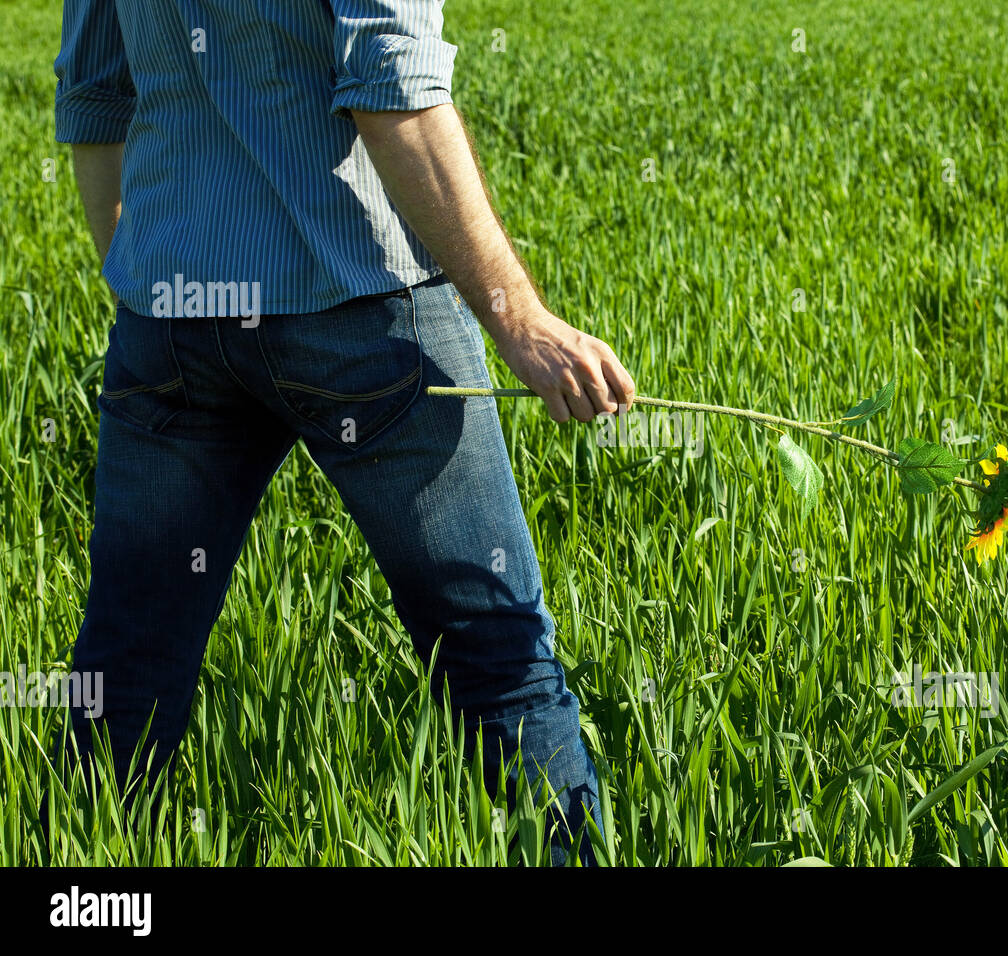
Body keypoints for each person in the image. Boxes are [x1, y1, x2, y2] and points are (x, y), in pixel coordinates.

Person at [53, 0, 634, 866]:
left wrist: (145, 276)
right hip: (365, 313)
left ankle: (79, 885)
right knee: (498, 658)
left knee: (128, 659)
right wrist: (523, 322)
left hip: (169, 317)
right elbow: (393, 88)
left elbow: (96, 96)